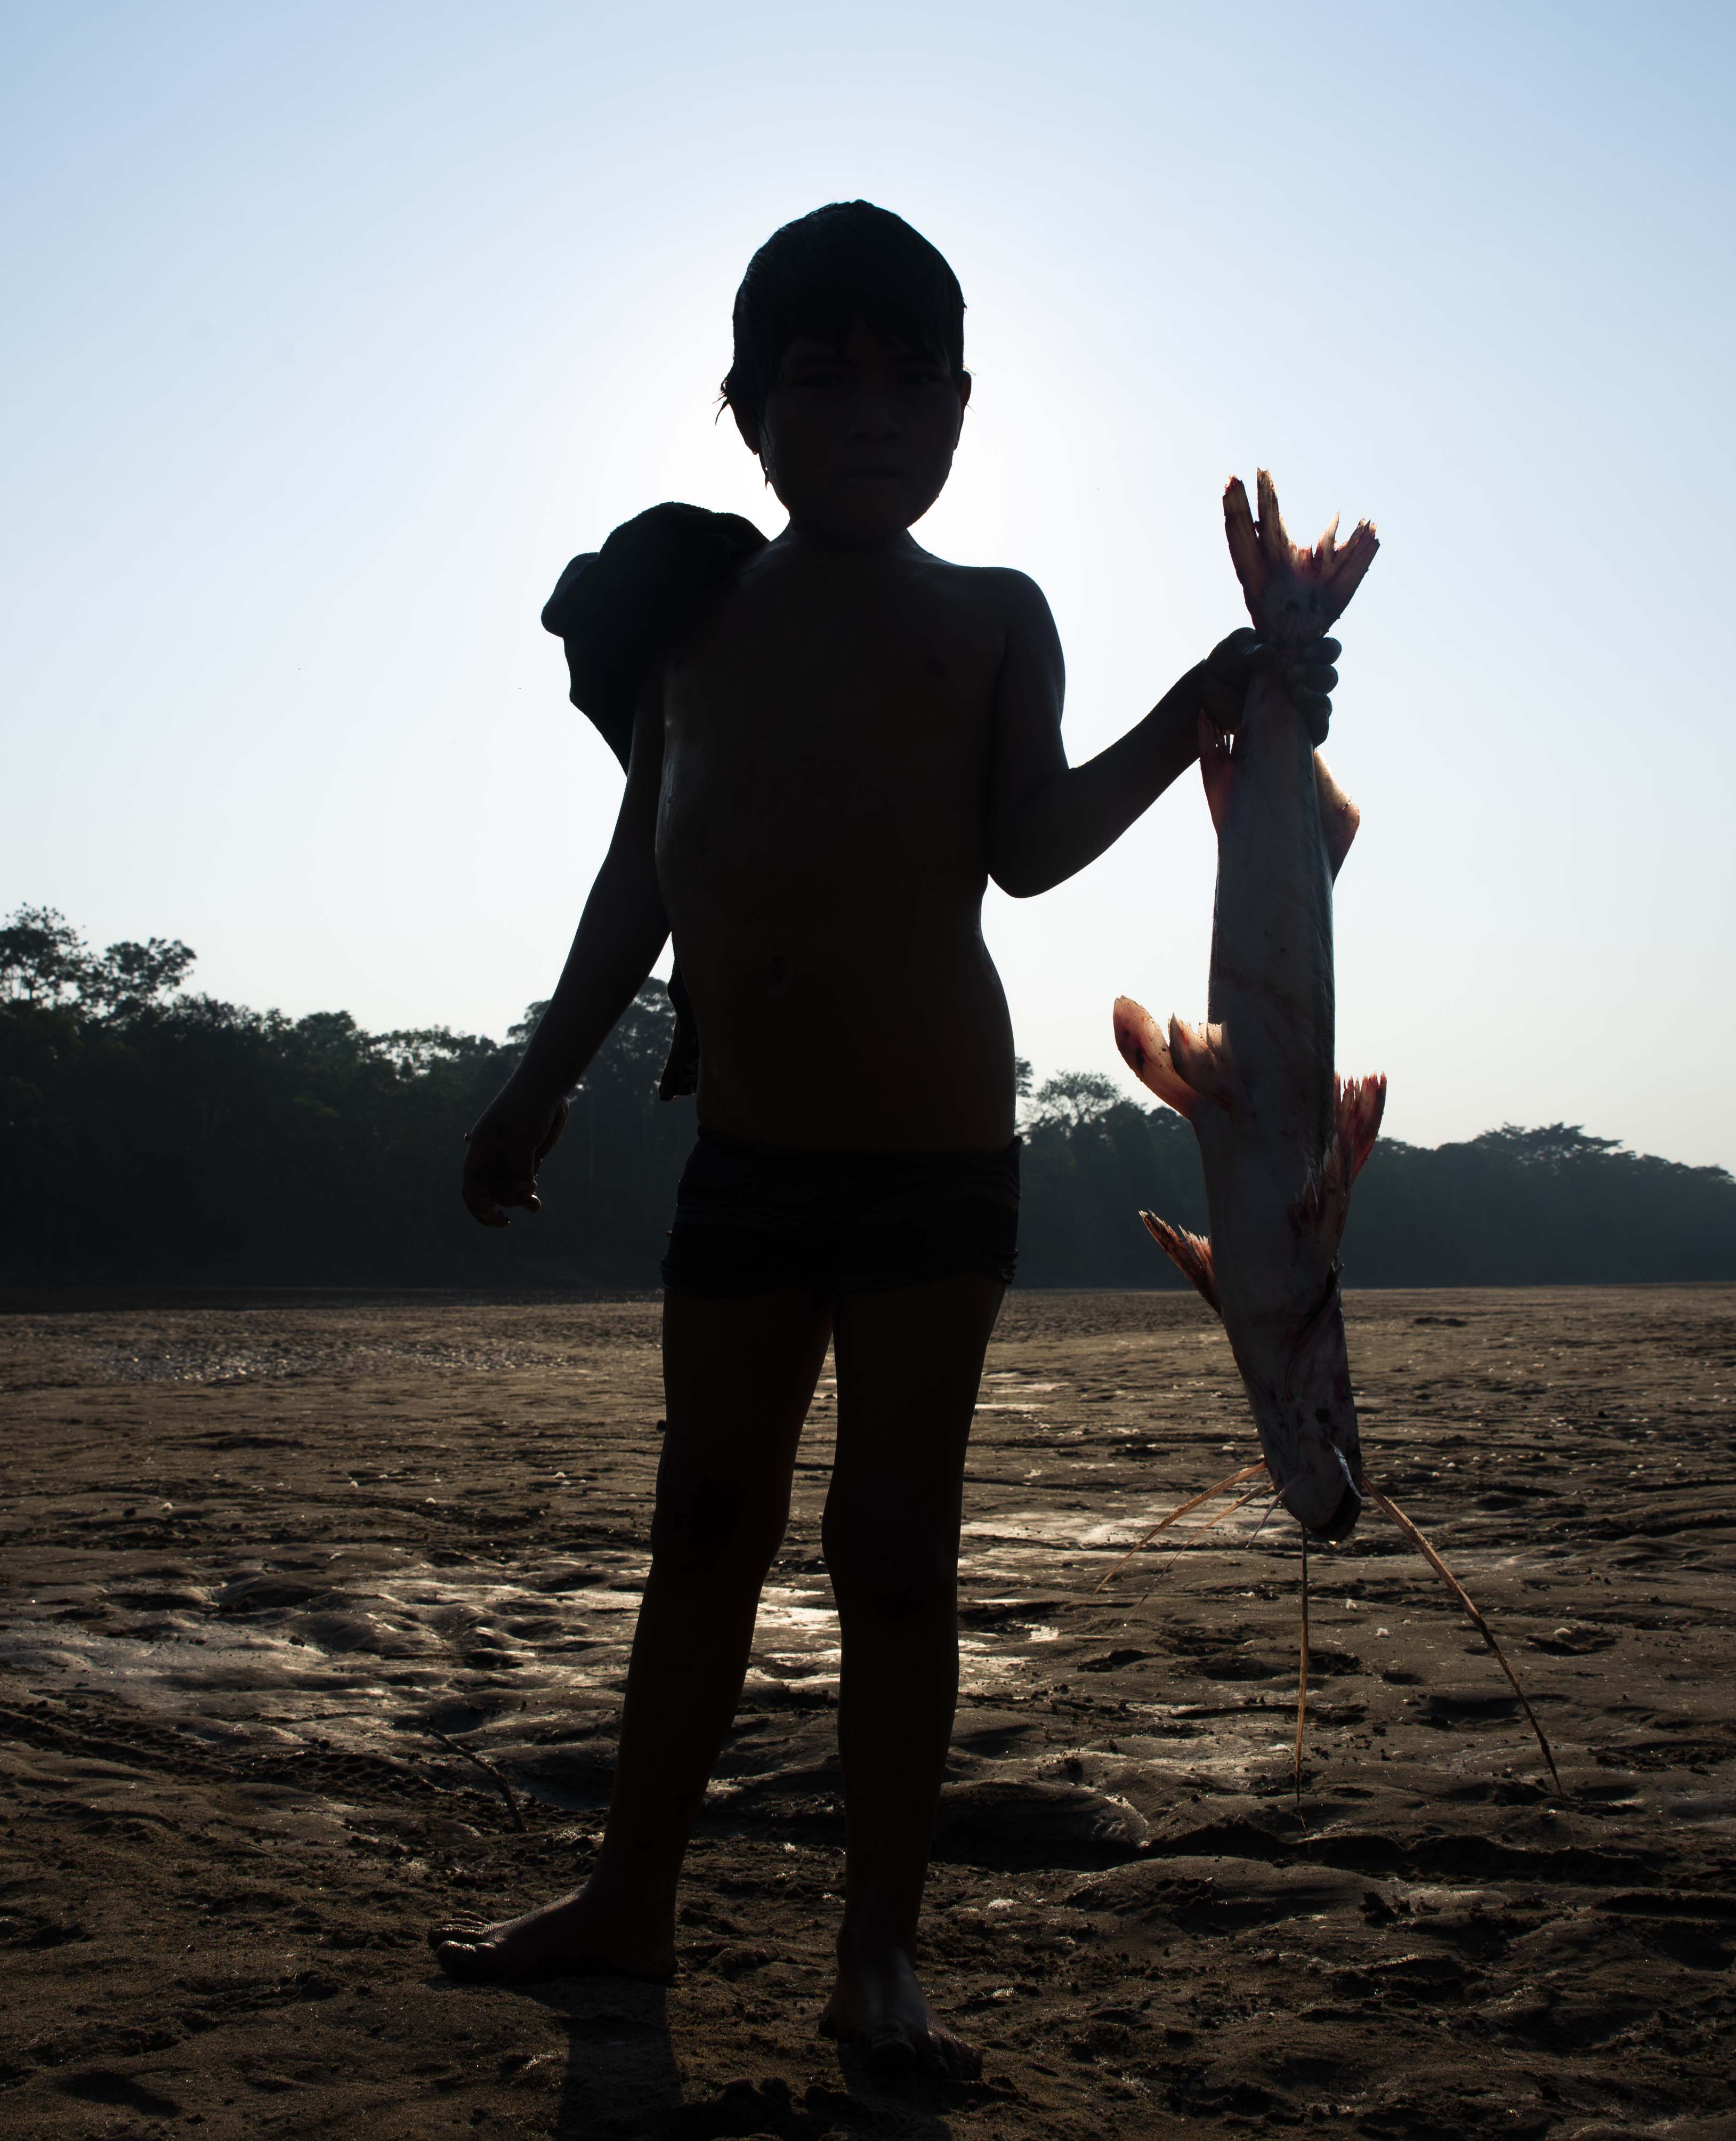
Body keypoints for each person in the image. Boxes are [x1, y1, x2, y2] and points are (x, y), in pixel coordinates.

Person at [435, 200, 1338, 2078]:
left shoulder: (993, 618)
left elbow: (1028, 843)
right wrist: (539, 1082)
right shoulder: (691, 614)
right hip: (748, 1160)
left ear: (960, 407)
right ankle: (633, 1899)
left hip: (936, 1163)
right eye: (816, 378)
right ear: (745, 410)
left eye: (903, 379)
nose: (863, 412)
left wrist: (1219, 699)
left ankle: (880, 1956)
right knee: (704, 1531)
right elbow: (644, 877)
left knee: (895, 1548)